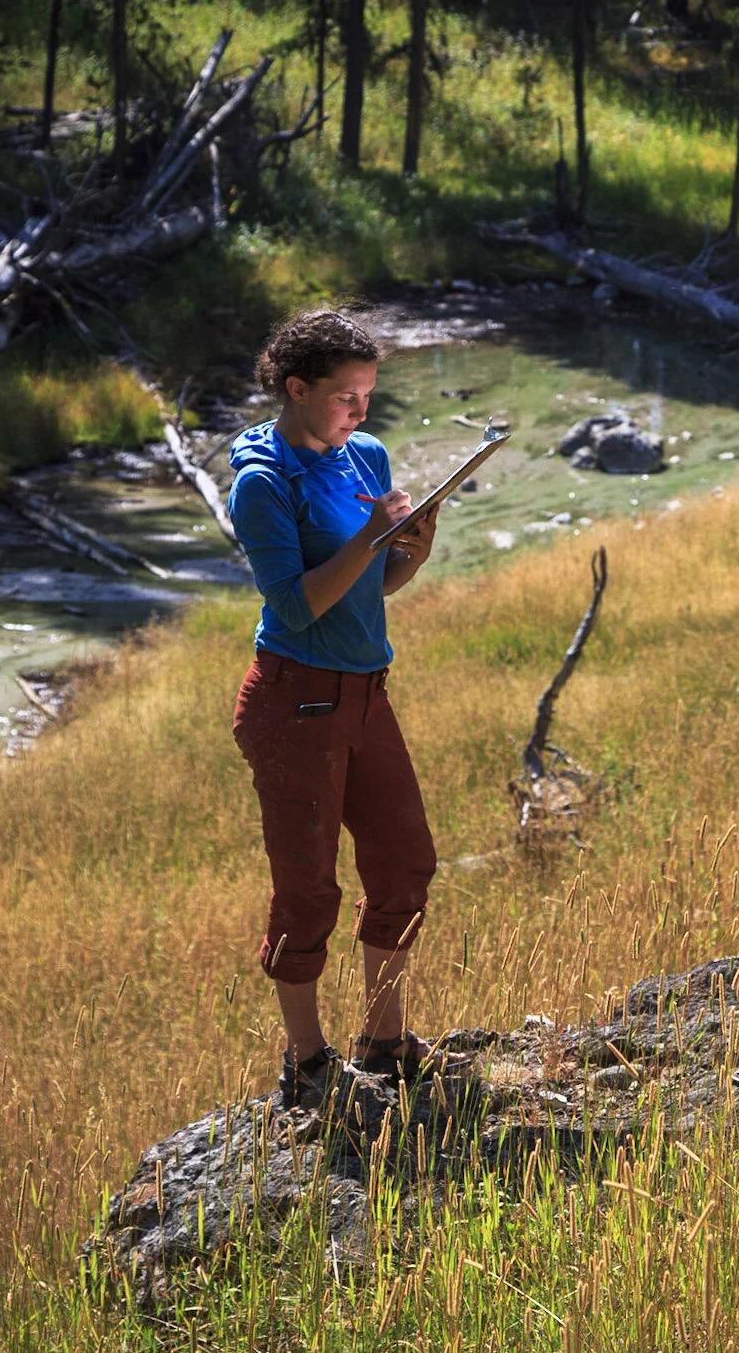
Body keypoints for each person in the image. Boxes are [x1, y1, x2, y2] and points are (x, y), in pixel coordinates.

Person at [226, 307, 451, 1109]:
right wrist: (368, 535)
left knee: (405, 863)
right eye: (345, 397)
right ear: (297, 388)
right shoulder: (262, 481)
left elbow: (370, 587)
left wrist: (411, 551)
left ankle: (384, 1042)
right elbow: (295, 608)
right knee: (307, 891)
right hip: (294, 702)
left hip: (365, 691)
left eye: (368, 396)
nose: (360, 413)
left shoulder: (367, 455)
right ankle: (307, 1062)